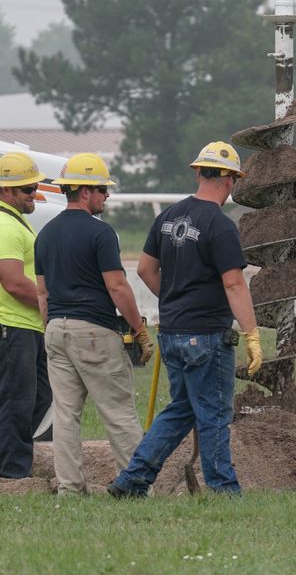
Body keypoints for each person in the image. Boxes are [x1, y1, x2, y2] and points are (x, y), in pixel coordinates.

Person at [108, 141, 263, 497]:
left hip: (172, 333)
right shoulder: (220, 225)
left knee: (181, 410)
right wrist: (252, 334)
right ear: (230, 180)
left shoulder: (167, 217)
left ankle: (132, 480)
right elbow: (233, 283)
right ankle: (223, 489)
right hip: (207, 336)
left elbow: (145, 269)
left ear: (198, 173)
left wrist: (174, 299)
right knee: (213, 414)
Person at [35, 153, 153, 495]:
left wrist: (50, 329)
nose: (107, 195)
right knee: (118, 412)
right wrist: (139, 329)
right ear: (84, 191)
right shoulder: (101, 233)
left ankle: (70, 489)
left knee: (65, 415)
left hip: (56, 330)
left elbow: (42, 293)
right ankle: (134, 486)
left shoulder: (45, 234)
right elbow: (117, 287)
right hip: (94, 332)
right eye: (102, 189)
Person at [0, 152, 53, 481]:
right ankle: (13, 476)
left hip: (22, 325)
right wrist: (52, 305)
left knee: (37, 398)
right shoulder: (4, 226)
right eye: (28, 189)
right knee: (16, 402)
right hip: (10, 325)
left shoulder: (13, 219)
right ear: (6, 190)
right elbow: (14, 282)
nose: (35, 194)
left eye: (34, 187)